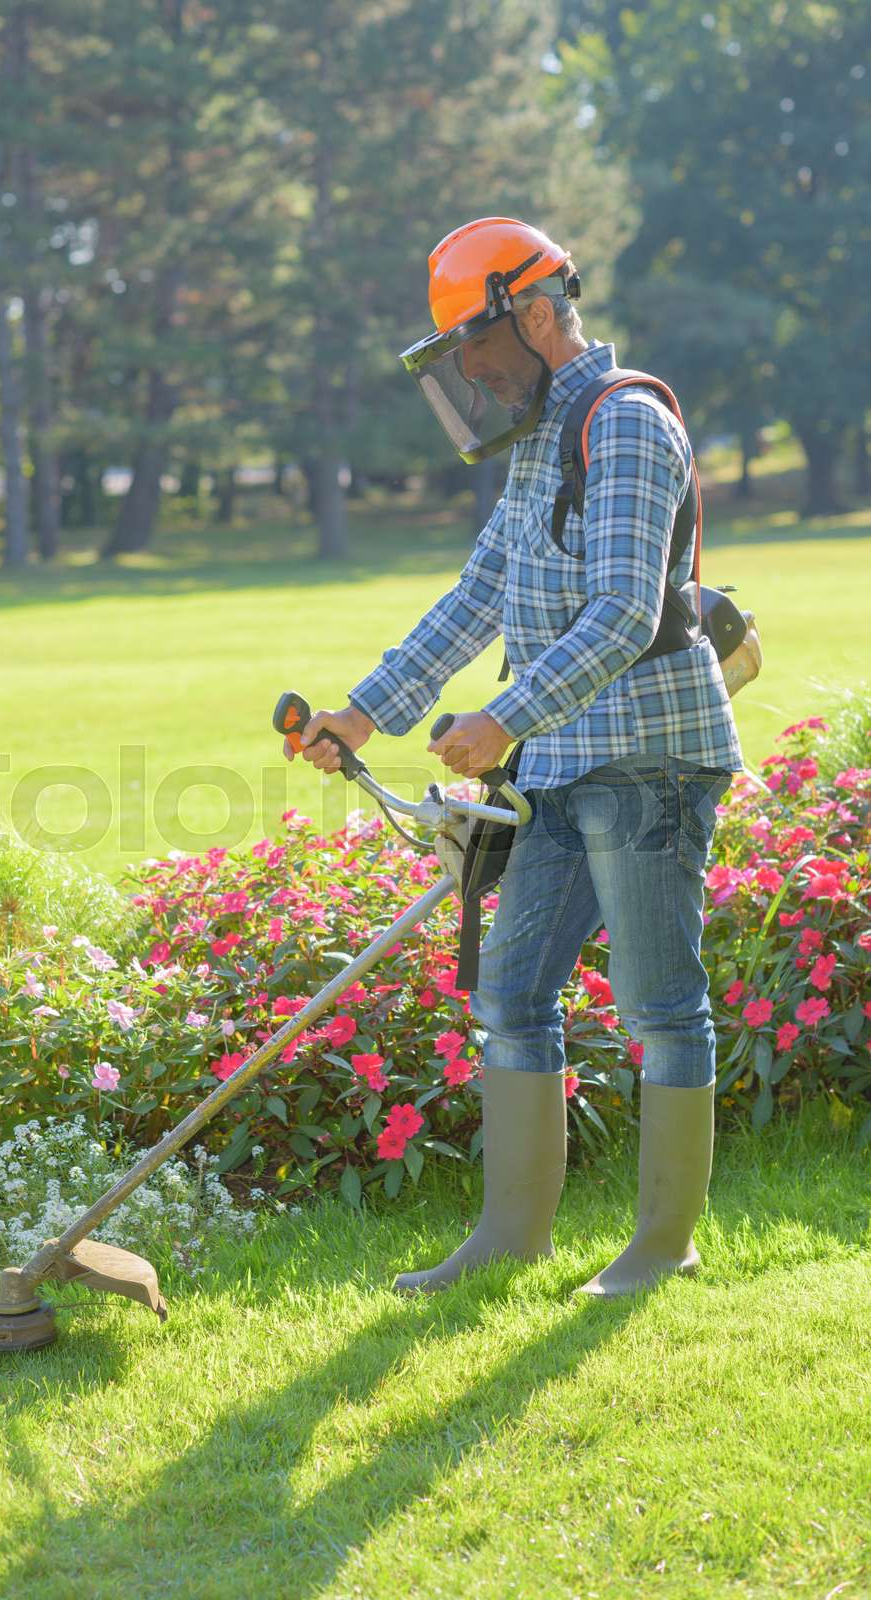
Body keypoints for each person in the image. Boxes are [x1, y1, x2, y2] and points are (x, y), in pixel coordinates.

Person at [283, 217, 743, 1299]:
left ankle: (661, 1245)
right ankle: (509, 1237)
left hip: (648, 760)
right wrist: (364, 711)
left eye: (476, 350)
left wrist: (504, 716)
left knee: (658, 1005)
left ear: (534, 314)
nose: (473, 377)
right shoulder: (540, 435)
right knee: (512, 996)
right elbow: (477, 593)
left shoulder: (623, 424)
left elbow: (627, 611)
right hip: (557, 765)